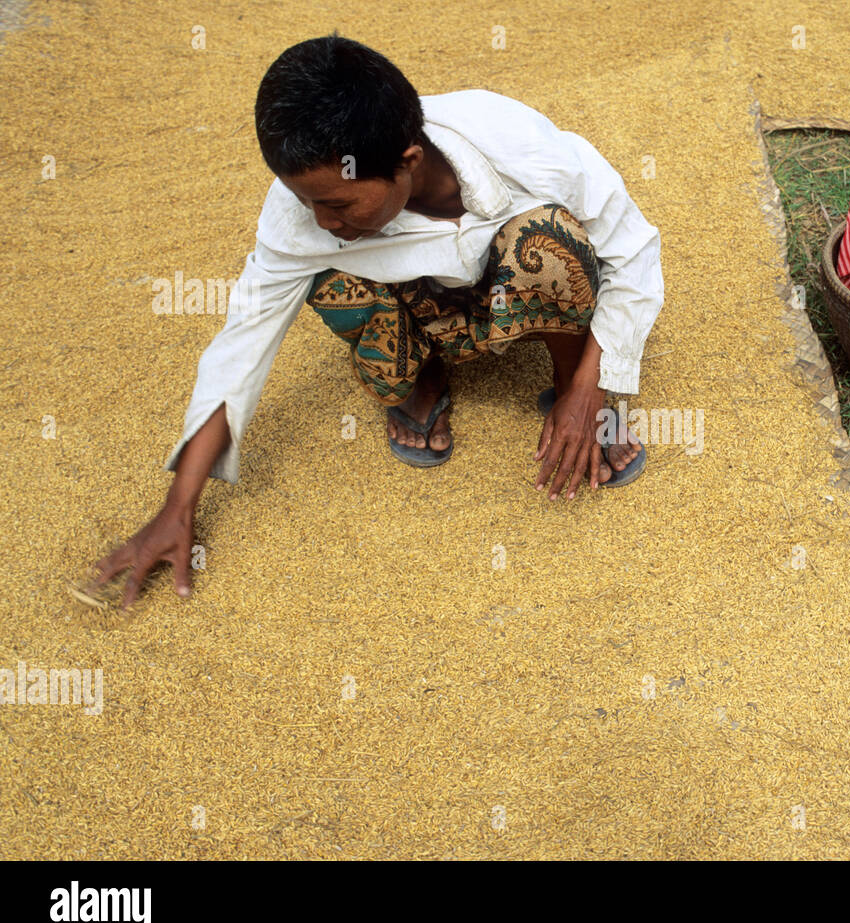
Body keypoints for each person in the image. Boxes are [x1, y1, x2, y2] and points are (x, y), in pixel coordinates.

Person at [89, 34, 664, 609]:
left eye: (338, 205)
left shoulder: (517, 140)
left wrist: (593, 383)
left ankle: (571, 389)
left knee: (546, 234)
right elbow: (242, 343)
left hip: (512, 295)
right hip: (419, 313)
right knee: (326, 279)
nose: (322, 220)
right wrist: (177, 505)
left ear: (408, 162)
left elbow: (633, 252)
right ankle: (426, 378)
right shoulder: (304, 214)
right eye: (306, 200)